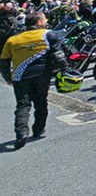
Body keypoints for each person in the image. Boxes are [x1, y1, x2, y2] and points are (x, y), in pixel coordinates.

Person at [1, 12, 67, 149]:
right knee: (41, 102)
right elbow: (58, 56)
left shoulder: (13, 40)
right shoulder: (48, 34)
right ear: (39, 22)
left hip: (20, 76)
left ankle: (21, 133)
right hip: (42, 74)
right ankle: (38, 129)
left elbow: (4, 61)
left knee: (23, 105)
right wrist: (65, 70)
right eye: (44, 20)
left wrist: (8, 78)